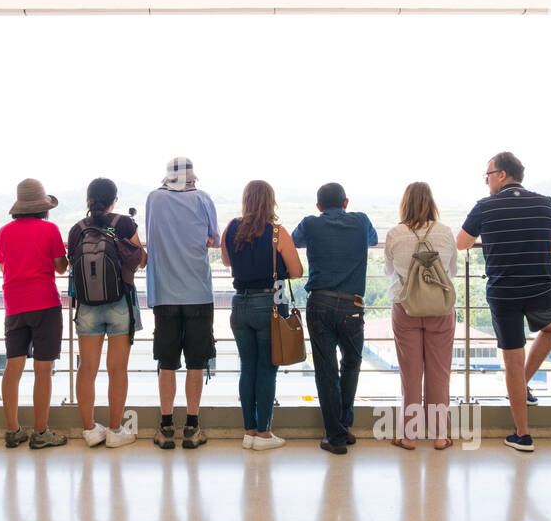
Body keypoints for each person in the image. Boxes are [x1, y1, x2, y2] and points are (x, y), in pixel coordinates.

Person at [456, 152, 551, 453]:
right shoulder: (546, 203)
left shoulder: (485, 207)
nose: (486, 180)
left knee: (513, 363)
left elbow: (461, 243)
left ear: (502, 175)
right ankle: (523, 386)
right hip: (540, 287)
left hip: (504, 292)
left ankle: (523, 434)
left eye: (487, 174)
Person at [292, 182, 377, 455]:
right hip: (353, 304)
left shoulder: (310, 223)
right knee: (351, 364)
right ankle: (344, 425)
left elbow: (293, 240)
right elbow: (373, 239)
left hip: (320, 303)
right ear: (346, 202)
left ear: (318, 206)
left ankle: (336, 435)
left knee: (326, 370)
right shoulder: (361, 221)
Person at [144, 156, 221, 451]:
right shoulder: (203, 199)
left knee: (166, 362)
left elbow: (151, 235)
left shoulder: (154, 199)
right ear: (193, 177)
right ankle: (192, 427)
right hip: (198, 292)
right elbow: (213, 239)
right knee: (196, 363)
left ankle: (165, 427)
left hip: (164, 294)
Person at [220, 181, 304, 450]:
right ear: (271, 201)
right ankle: (265, 434)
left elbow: (226, 261)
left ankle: (249, 432)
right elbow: (297, 271)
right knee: (268, 369)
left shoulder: (231, 228)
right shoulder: (278, 233)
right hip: (270, 303)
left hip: (239, 304)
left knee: (248, 368)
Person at [66, 178, 146, 449]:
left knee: (86, 368)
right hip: (121, 301)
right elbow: (141, 259)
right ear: (114, 199)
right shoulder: (125, 223)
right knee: (117, 369)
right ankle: (115, 430)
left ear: (88, 199)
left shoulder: (77, 229)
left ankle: (90, 429)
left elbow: (71, 265)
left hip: (87, 304)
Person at [383, 182, 458, 450]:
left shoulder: (395, 234)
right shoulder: (446, 233)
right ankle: (440, 436)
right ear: (432, 202)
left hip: (406, 308)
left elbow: (390, 272)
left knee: (410, 374)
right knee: (439, 373)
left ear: (405, 204)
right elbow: (452, 271)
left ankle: (409, 436)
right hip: (440, 309)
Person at [0, 179, 69, 449]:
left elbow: (4, 265)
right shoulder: (49, 229)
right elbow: (61, 267)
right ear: (42, 207)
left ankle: (13, 430)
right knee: (42, 369)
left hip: (14, 304)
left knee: (13, 367)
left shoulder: (4, 232)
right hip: (45, 303)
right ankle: (40, 432)